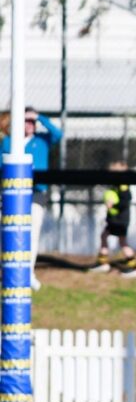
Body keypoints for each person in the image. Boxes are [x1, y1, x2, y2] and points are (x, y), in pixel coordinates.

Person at [1, 106, 63, 291]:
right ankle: (10, 270)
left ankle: (28, 273)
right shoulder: (9, 142)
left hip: (36, 193)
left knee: (32, 231)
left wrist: (40, 117)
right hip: (12, 191)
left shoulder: (42, 141)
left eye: (32, 122)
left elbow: (57, 133)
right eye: (26, 121)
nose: (30, 125)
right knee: (9, 231)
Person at [88, 161, 136, 278]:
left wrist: (113, 204)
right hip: (114, 219)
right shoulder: (116, 184)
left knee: (122, 242)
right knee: (104, 236)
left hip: (120, 220)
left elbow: (125, 200)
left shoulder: (123, 186)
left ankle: (134, 267)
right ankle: (102, 262)